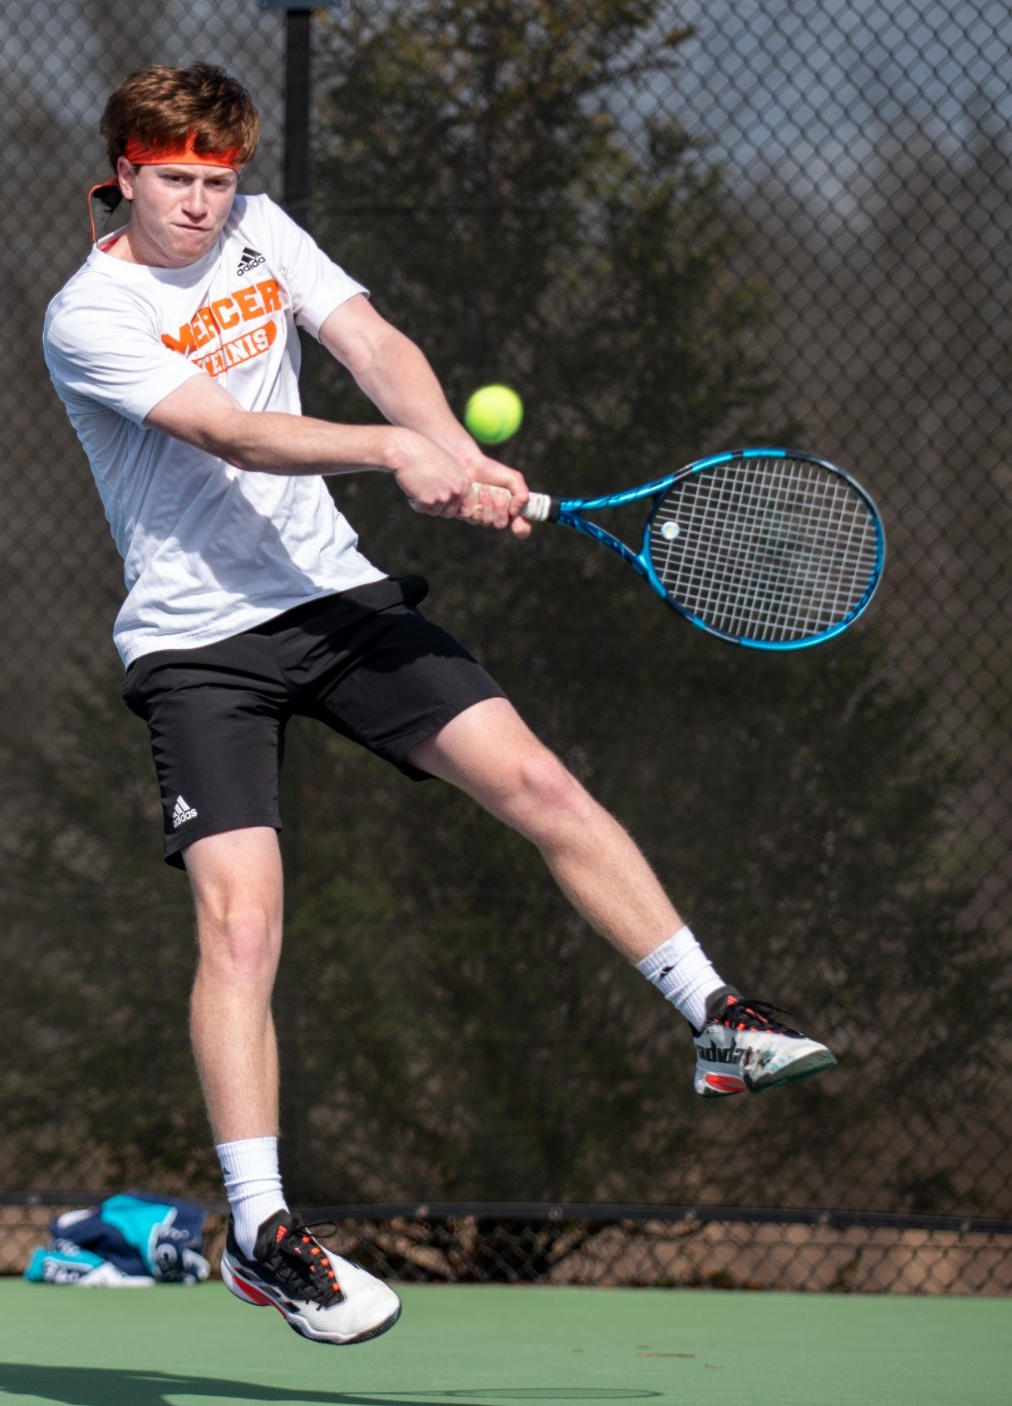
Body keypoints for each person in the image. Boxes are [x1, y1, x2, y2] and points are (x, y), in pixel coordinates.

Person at [40, 63, 835, 1346]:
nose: (198, 205)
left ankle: (716, 1016)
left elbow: (373, 346)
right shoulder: (88, 312)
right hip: (199, 646)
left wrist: (453, 455)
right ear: (123, 171)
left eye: (215, 180)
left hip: (332, 595)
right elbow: (229, 433)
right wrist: (396, 450)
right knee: (242, 922)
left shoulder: (259, 230)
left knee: (542, 785)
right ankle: (260, 1229)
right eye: (174, 179)